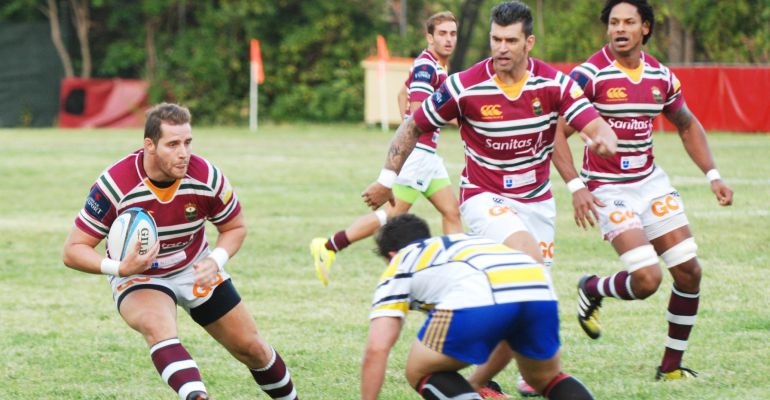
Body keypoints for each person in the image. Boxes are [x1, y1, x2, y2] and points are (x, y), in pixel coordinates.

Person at [361, 1, 617, 396]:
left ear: (528, 42)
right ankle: (486, 377)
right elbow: (413, 125)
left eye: (511, 40)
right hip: (484, 197)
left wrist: (603, 139)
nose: (501, 48)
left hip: (537, 202)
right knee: (527, 266)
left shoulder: (555, 83)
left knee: (529, 301)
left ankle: (496, 379)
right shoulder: (464, 85)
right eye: (495, 39)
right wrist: (386, 178)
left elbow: (596, 124)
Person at [62, 103, 299, 400]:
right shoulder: (115, 185)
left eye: (187, 142)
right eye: (173, 144)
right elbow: (73, 250)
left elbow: (235, 227)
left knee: (252, 348)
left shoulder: (206, 177)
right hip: (140, 275)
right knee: (157, 326)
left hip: (196, 266)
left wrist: (216, 260)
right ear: (149, 145)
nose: (183, 152)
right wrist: (120, 268)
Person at [552, 0, 734, 381]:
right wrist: (576, 186)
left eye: (628, 22)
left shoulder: (661, 77)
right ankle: (593, 287)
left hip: (650, 182)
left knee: (689, 272)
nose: (619, 29)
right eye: (614, 22)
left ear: (645, 28)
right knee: (648, 280)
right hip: (607, 187)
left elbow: (686, 124)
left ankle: (670, 369)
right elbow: (556, 134)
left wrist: (713, 174)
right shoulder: (589, 75)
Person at [360, 213, 595, 400]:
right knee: (546, 378)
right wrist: (475, 384)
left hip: (482, 294)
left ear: (391, 254)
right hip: (539, 285)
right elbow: (506, 341)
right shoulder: (461, 243)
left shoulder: (400, 263)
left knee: (419, 371)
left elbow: (377, 349)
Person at [310, 11, 463, 286]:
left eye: (452, 33)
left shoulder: (435, 65)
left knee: (452, 211)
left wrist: (406, 128)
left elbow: (402, 95)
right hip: (419, 154)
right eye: (442, 33)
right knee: (392, 216)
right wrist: (458, 120)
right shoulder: (427, 67)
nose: (448, 39)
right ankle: (329, 246)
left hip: (428, 155)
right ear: (430, 37)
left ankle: (456, 270)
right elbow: (417, 110)